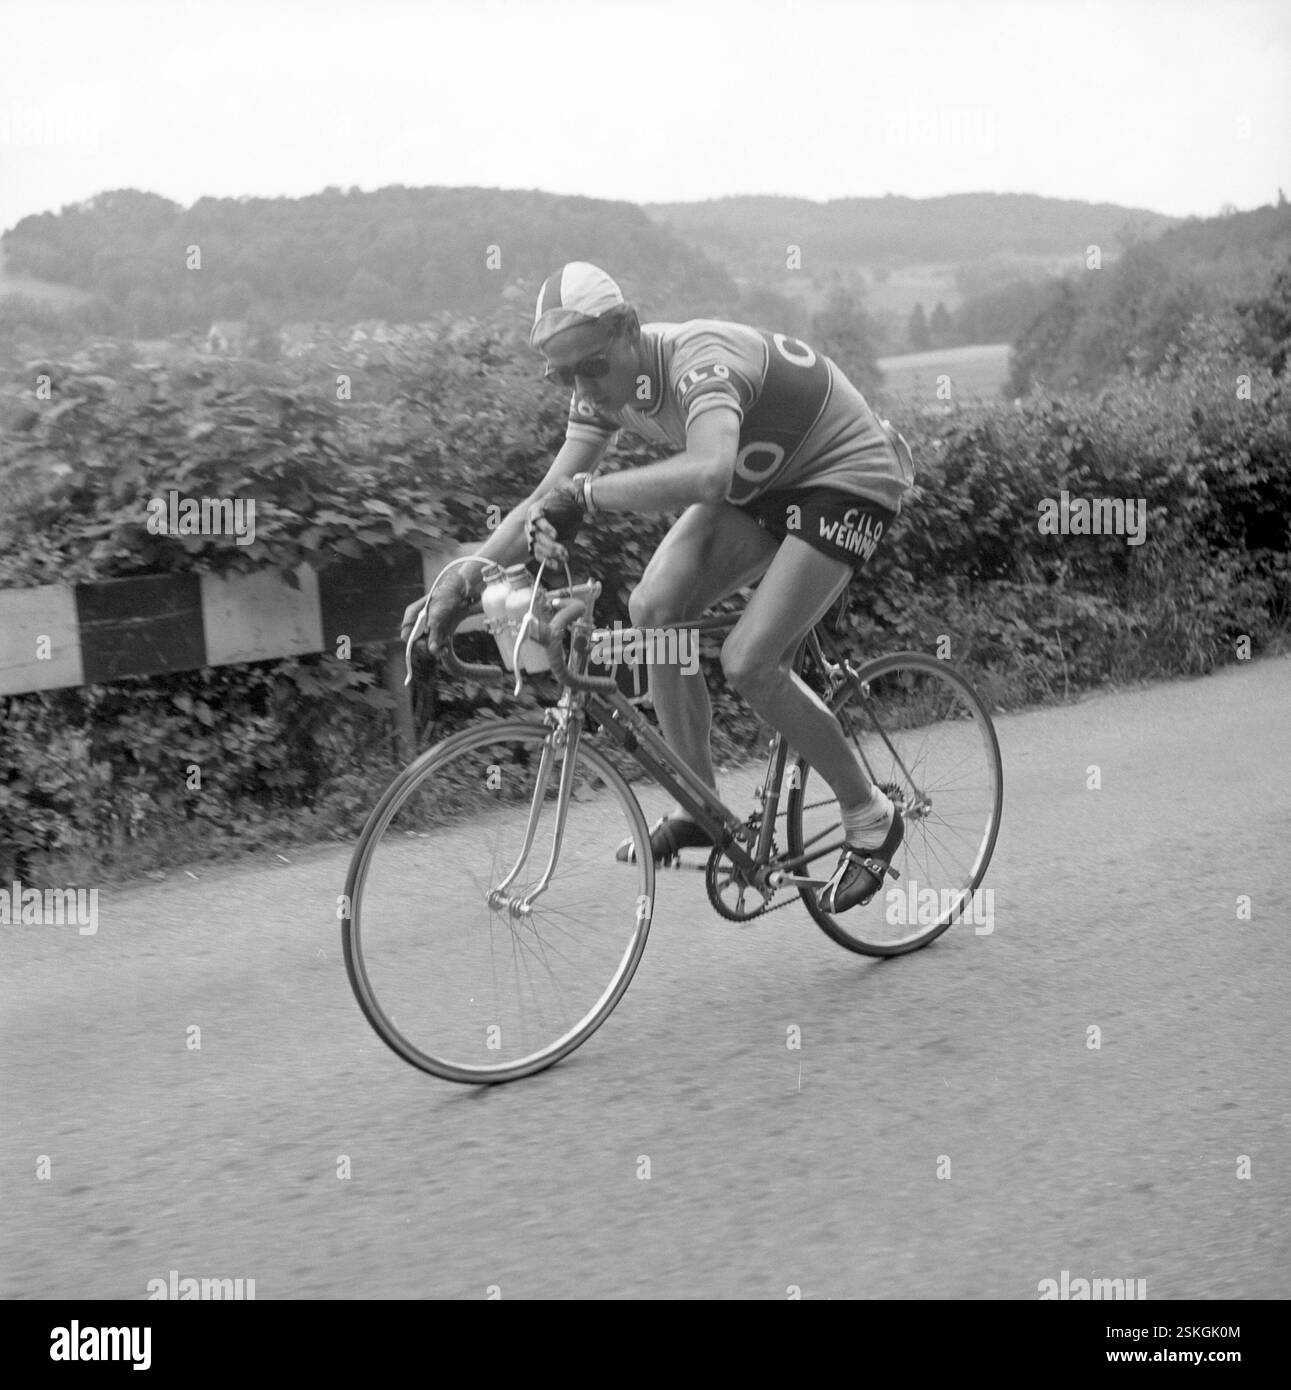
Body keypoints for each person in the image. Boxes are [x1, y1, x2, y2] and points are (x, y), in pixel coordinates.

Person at [401, 262, 915, 914]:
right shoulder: (598, 387)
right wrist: (466, 576)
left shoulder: (698, 360)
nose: (585, 388)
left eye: (591, 366)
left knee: (749, 662)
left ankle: (868, 814)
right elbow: (542, 497)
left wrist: (585, 497)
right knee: (653, 610)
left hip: (844, 472)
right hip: (764, 485)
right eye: (565, 377)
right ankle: (699, 800)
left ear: (628, 328)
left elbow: (706, 472)